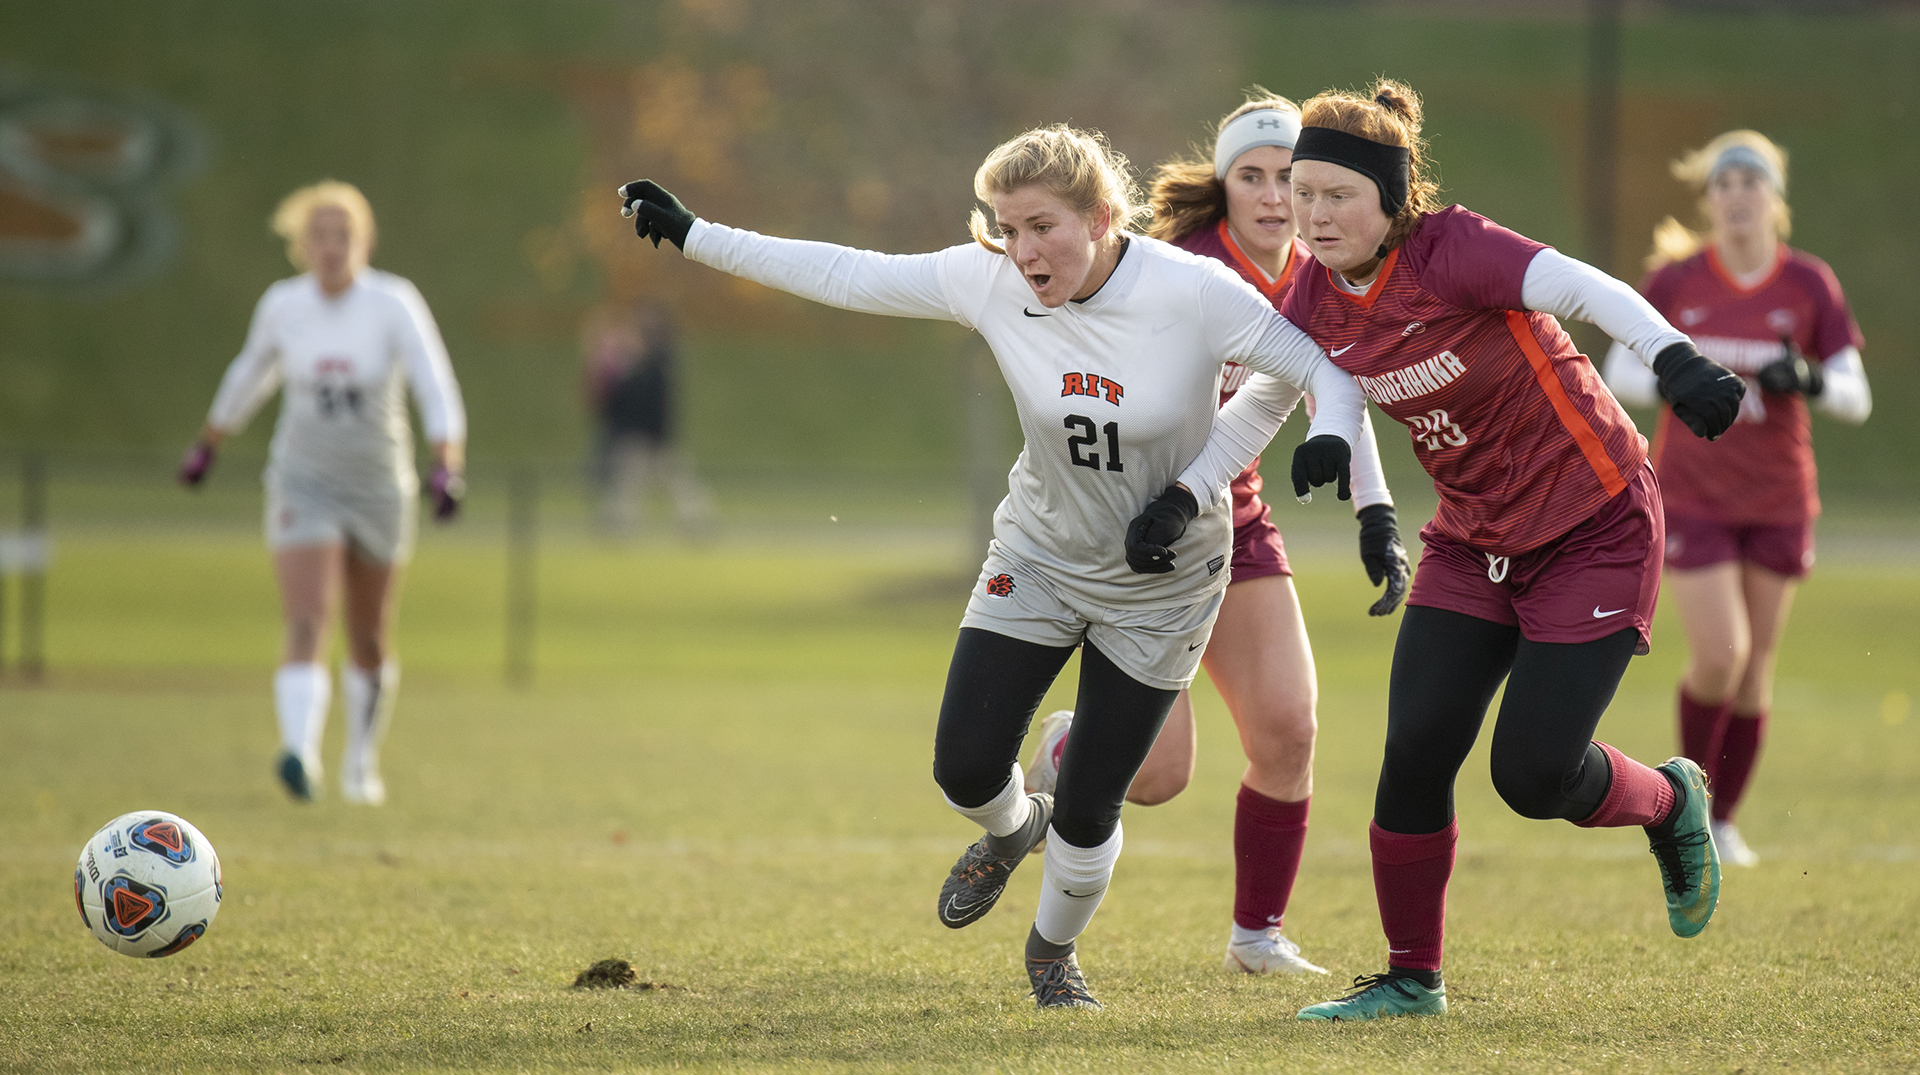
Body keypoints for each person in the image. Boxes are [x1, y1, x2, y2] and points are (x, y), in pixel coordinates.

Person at [617, 123, 1369, 1010]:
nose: (1023, 252)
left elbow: (1319, 373)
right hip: (1039, 556)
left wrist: (1238, 472)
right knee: (966, 769)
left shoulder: (1193, 291)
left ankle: (1052, 958)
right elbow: (847, 273)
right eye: (1008, 229)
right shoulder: (992, 279)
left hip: (1163, 581)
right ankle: (1013, 830)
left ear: (1102, 217)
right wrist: (697, 235)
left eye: (1043, 227)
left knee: (1093, 804)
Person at [1251, 80, 1748, 1022]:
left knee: (1531, 777)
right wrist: (1332, 436)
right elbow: (1337, 373)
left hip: (1593, 524)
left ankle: (1668, 801)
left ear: (1391, 198)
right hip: (1473, 538)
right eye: (1301, 192)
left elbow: (1589, 288)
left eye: (1337, 195)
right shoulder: (1312, 290)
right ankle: (1412, 980)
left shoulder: (1454, 251)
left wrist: (1675, 358)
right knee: (1415, 748)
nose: (1312, 215)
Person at [1022, 90, 1408, 979]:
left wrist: (1375, 514)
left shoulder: (1324, 275)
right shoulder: (1175, 268)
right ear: (1223, 185)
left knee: (1289, 732)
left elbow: (1337, 391)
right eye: (1253, 177)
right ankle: (1065, 749)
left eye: (1291, 179)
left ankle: (1256, 939)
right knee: (1159, 777)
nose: (1276, 198)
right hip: (1137, 535)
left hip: (1234, 522)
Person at [1602, 131, 1870, 867]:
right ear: (1709, 199)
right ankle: (1688, 807)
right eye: (1724, 183)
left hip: (1779, 499)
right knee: (1723, 654)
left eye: (1752, 181)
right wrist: (1680, 379)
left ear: (1774, 198)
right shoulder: (1677, 281)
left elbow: (1856, 395)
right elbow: (1620, 371)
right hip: (1694, 495)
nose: (1737, 194)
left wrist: (1810, 380)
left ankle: (1719, 824)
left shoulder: (1808, 283)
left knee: (1754, 673)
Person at [178, 180, 466, 806]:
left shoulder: (393, 303)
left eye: (345, 235)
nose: (333, 247)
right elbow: (251, 373)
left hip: (379, 485)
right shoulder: (284, 305)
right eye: (321, 236)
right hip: (303, 480)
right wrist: (209, 441)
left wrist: (447, 461)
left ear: (366, 242)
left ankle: (360, 762)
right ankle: (299, 752)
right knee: (307, 618)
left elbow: (433, 381)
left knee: (369, 635)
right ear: (302, 245)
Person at [580, 300, 712, 536]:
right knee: (631, 485)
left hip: (653, 435)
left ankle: (696, 524)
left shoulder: (653, 364)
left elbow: (647, 400)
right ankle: (617, 526)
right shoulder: (642, 365)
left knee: (672, 483)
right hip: (641, 435)